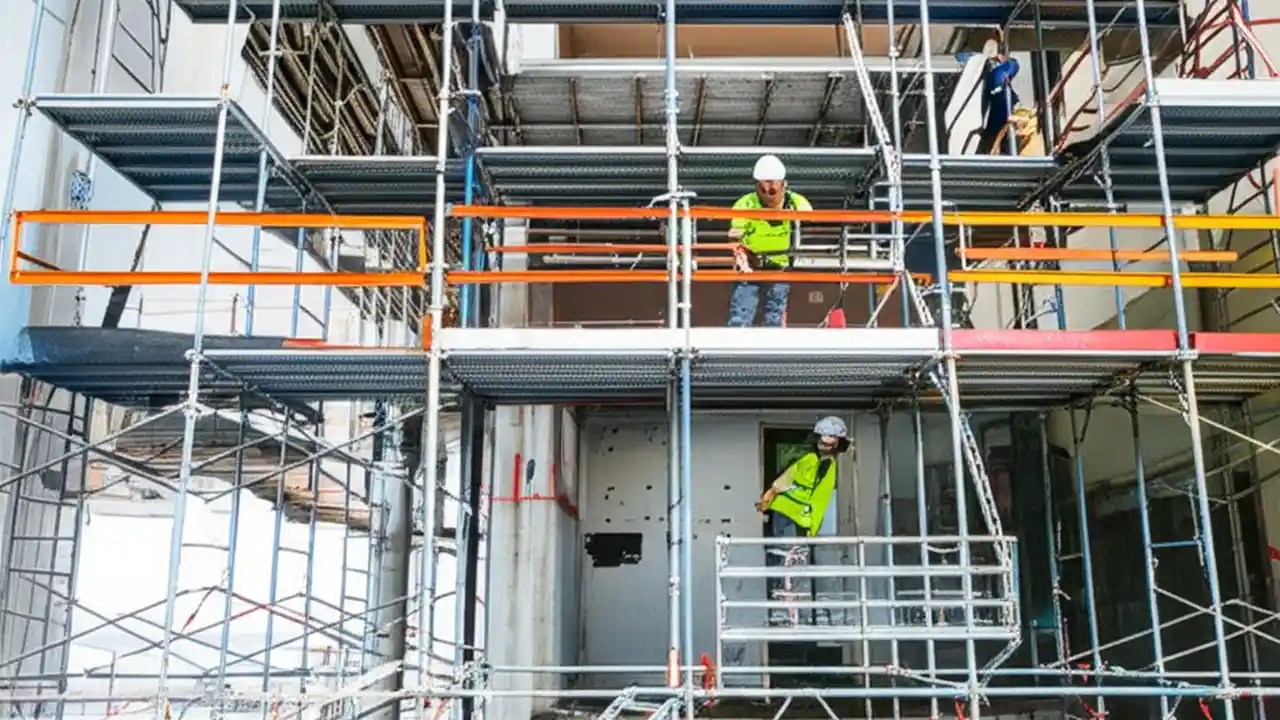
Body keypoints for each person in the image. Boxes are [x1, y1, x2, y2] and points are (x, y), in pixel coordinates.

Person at [754, 415, 850, 626]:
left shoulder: (819, 462)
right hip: (792, 517)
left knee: (788, 560)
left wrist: (767, 502)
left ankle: (788, 612)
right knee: (790, 560)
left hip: (789, 515)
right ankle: (787, 613)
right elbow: (793, 490)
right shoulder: (815, 462)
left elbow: (783, 487)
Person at [726, 154, 813, 327]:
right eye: (762, 189)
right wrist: (740, 256)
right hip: (750, 267)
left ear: (783, 185)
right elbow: (734, 237)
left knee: (775, 316)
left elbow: (811, 219)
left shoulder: (796, 202)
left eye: (772, 190)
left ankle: (773, 351)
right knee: (740, 315)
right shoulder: (745, 205)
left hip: (780, 267)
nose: (767, 195)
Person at [755, 416, 849, 538]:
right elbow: (819, 501)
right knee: (794, 553)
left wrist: (764, 504)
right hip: (798, 517)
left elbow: (778, 485)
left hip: (780, 511)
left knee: (780, 551)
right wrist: (812, 532)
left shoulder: (807, 459)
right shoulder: (825, 464)